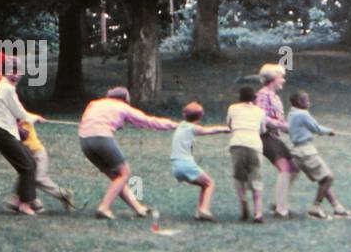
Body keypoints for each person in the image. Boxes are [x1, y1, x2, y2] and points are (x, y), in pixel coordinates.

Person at [77, 86, 177, 220]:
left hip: (84, 141)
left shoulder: (94, 103)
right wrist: (174, 125)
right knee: (124, 173)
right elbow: (148, 121)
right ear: (125, 99)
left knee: (117, 178)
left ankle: (138, 208)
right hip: (102, 138)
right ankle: (104, 208)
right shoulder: (123, 107)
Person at [0, 58, 45, 216]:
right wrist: (35, 118)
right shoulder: (6, 88)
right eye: (13, 70)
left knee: (29, 163)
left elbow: (13, 111)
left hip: (2, 131)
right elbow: (19, 112)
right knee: (27, 165)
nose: (16, 74)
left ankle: (18, 202)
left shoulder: (4, 86)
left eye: (19, 71)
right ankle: (25, 204)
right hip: (0, 131)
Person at [287, 92, 351, 220]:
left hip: (297, 152)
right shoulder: (303, 114)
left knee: (322, 179)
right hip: (306, 151)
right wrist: (329, 131)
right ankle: (315, 208)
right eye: (306, 100)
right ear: (299, 102)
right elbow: (316, 128)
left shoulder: (292, 113)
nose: (309, 102)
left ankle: (337, 207)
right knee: (328, 178)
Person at [170, 101, 230, 222]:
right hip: (185, 164)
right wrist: (226, 129)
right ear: (200, 116)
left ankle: (200, 211)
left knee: (204, 184)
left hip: (175, 166)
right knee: (210, 183)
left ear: (184, 114)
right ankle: (204, 210)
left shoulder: (181, 125)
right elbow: (210, 130)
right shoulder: (192, 128)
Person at [255, 64, 299, 218]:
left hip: (274, 137)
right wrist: (282, 126)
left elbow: (279, 120)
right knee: (285, 168)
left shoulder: (275, 97)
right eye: (281, 77)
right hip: (264, 136)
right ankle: (281, 209)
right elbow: (262, 118)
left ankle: (278, 202)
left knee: (294, 168)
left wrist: (290, 127)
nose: (284, 80)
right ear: (273, 78)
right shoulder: (262, 95)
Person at [226, 85, 267, 223]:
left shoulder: (232, 108)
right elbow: (262, 129)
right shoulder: (260, 111)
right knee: (256, 177)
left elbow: (229, 125)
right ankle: (258, 212)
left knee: (239, 177)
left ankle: (243, 203)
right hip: (254, 145)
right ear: (253, 98)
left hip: (237, 143)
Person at [19, 115, 75, 213]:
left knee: (38, 178)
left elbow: (27, 121)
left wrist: (36, 118)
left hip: (37, 154)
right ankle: (31, 202)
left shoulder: (22, 117)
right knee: (25, 178)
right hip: (27, 155)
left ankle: (64, 194)